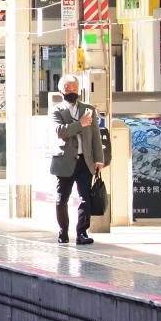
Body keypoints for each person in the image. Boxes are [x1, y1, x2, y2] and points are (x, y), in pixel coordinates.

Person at [50, 74, 104, 245]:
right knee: (62, 199)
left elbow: (96, 137)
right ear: (61, 91)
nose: (71, 92)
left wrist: (99, 159)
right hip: (64, 161)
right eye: (68, 89)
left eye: (74, 89)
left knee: (85, 197)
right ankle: (63, 232)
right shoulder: (56, 111)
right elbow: (60, 131)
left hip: (85, 161)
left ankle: (82, 232)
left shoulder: (89, 109)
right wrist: (81, 124)